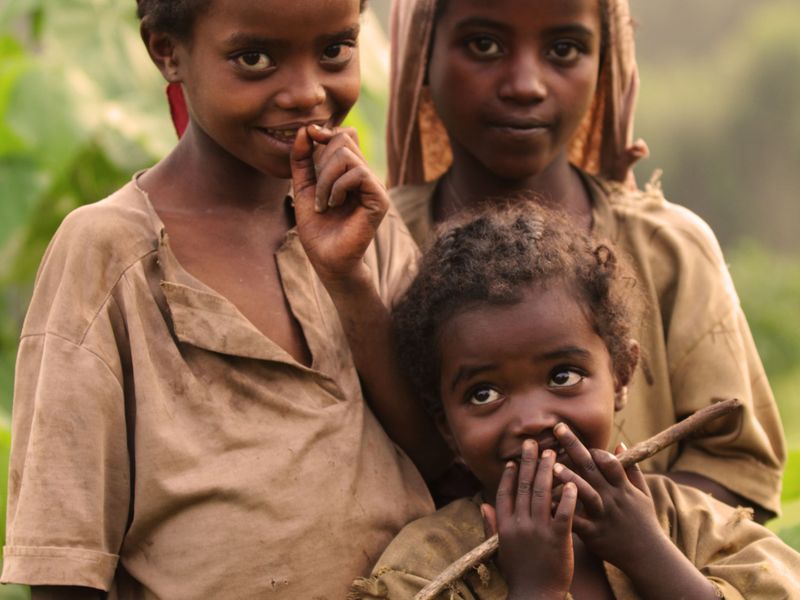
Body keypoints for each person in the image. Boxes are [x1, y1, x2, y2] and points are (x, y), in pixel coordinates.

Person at [0, 0, 448, 597]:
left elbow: (441, 458)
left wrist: (348, 282)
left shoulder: (367, 223)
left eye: (334, 50)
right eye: (255, 58)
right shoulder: (109, 254)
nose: (307, 92)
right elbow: (64, 564)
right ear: (168, 51)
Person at [385, 0, 785, 520]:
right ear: (421, 56)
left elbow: (737, 466)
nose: (526, 84)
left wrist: (610, 535)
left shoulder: (669, 249)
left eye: (564, 49)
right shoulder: (369, 244)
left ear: (606, 64)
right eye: (484, 45)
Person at [350, 204, 800, 599]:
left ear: (621, 374)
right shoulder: (426, 565)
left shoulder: (690, 522)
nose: (532, 419)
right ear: (445, 424)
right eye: (483, 393)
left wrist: (648, 553)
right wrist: (534, 588)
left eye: (562, 376)